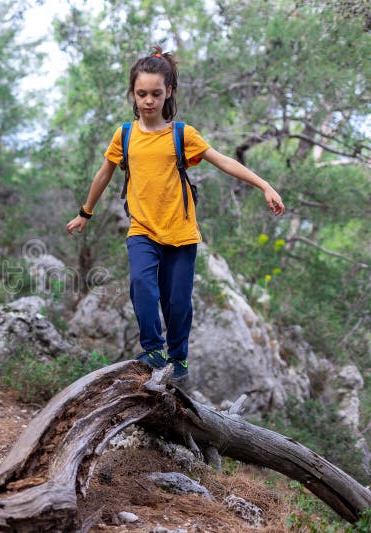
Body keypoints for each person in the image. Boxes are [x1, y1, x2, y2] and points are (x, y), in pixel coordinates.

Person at [65, 46, 285, 383]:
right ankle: (152, 348)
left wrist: (264, 185)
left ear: (169, 92)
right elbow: (104, 174)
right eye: (141, 94)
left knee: (177, 302)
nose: (148, 100)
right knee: (141, 283)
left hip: (181, 232)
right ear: (133, 94)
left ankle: (177, 357)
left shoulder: (183, 135)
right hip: (142, 228)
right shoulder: (125, 136)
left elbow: (223, 160)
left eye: (155, 93)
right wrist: (85, 213)